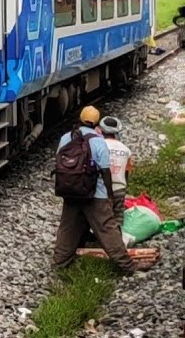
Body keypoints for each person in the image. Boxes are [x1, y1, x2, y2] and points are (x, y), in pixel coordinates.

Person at [52, 106, 140, 274]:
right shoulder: (98, 141)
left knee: (67, 227)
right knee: (107, 228)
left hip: (71, 191)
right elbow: (105, 171)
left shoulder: (66, 138)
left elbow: (59, 162)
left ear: (79, 119)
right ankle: (127, 266)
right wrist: (109, 195)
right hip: (95, 194)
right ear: (96, 124)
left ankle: (60, 263)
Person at [99, 116, 133, 225]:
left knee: (101, 217)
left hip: (102, 189)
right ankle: (118, 238)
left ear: (101, 130)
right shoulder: (126, 150)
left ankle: (100, 238)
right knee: (118, 216)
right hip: (119, 188)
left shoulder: (99, 146)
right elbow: (127, 171)